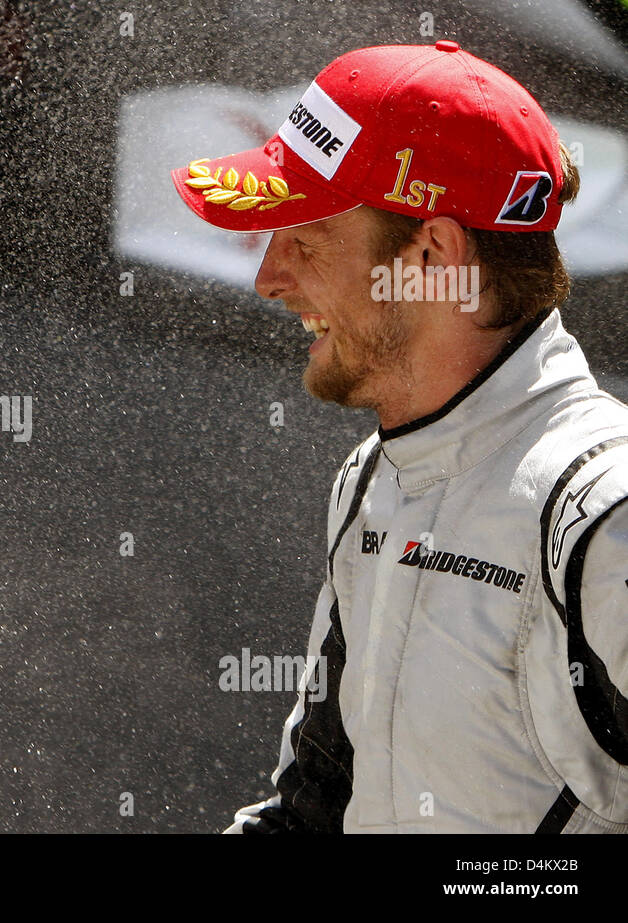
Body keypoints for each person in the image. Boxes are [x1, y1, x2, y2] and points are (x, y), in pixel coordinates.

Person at [171, 40, 628, 832]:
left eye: (306, 239)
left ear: (432, 255)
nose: (267, 278)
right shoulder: (372, 480)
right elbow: (313, 803)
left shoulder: (604, 512)